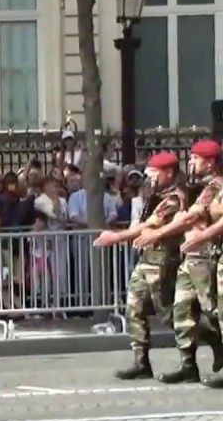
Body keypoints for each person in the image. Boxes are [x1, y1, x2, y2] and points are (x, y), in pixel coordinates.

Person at [94, 151, 187, 380]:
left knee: (170, 314)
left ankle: (203, 351)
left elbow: (151, 224)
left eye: (153, 174)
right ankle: (141, 361)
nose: (149, 179)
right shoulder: (155, 195)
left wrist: (116, 237)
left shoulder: (174, 197)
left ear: (168, 172)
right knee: (134, 307)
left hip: (164, 261)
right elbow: (144, 225)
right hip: (147, 259)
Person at [142, 140, 223, 383]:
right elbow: (192, 215)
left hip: (210, 254)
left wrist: (159, 233)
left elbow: (196, 217)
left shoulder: (218, 185)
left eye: (196, 158)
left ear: (209, 162)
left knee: (216, 311)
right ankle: (188, 365)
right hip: (195, 255)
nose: (191, 163)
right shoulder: (203, 187)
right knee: (181, 309)